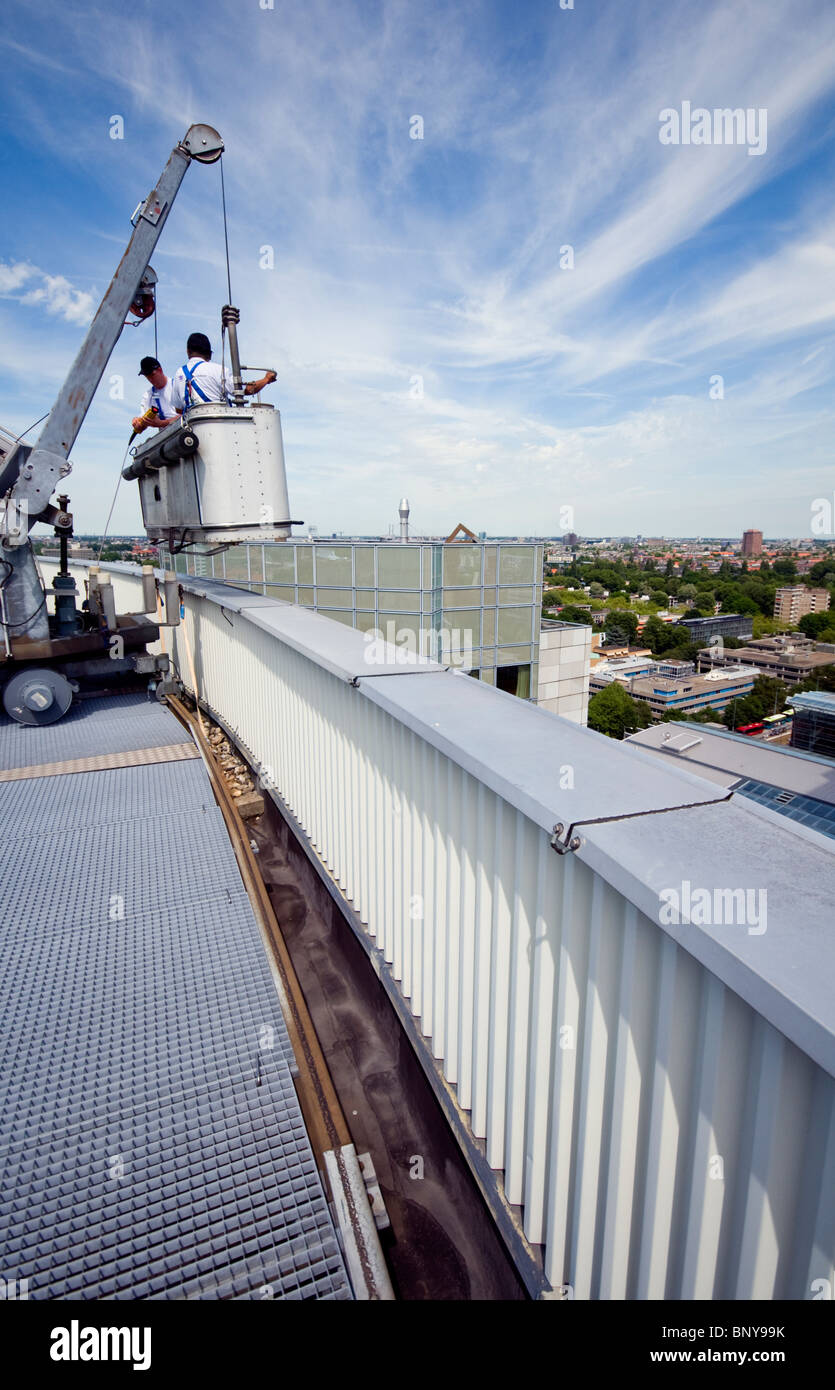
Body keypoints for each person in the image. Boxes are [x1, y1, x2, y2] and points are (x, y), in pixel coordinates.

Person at [170, 333, 277, 412]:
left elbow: (178, 409)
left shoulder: (179, 373)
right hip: (221, 426)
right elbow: (247, 390)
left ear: (188, 351)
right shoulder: (219, 370)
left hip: (193, 430)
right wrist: (266, 379)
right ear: (209, 354)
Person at [131, 357, 181, 434]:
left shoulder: (178, 386)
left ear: (160, 370)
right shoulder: (148, 396)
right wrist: (138, 423)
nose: (150, 379)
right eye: (147, 376)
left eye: (152, 375)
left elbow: (188, 413)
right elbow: (143, 422)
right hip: (168, 438)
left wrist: (162, 423)